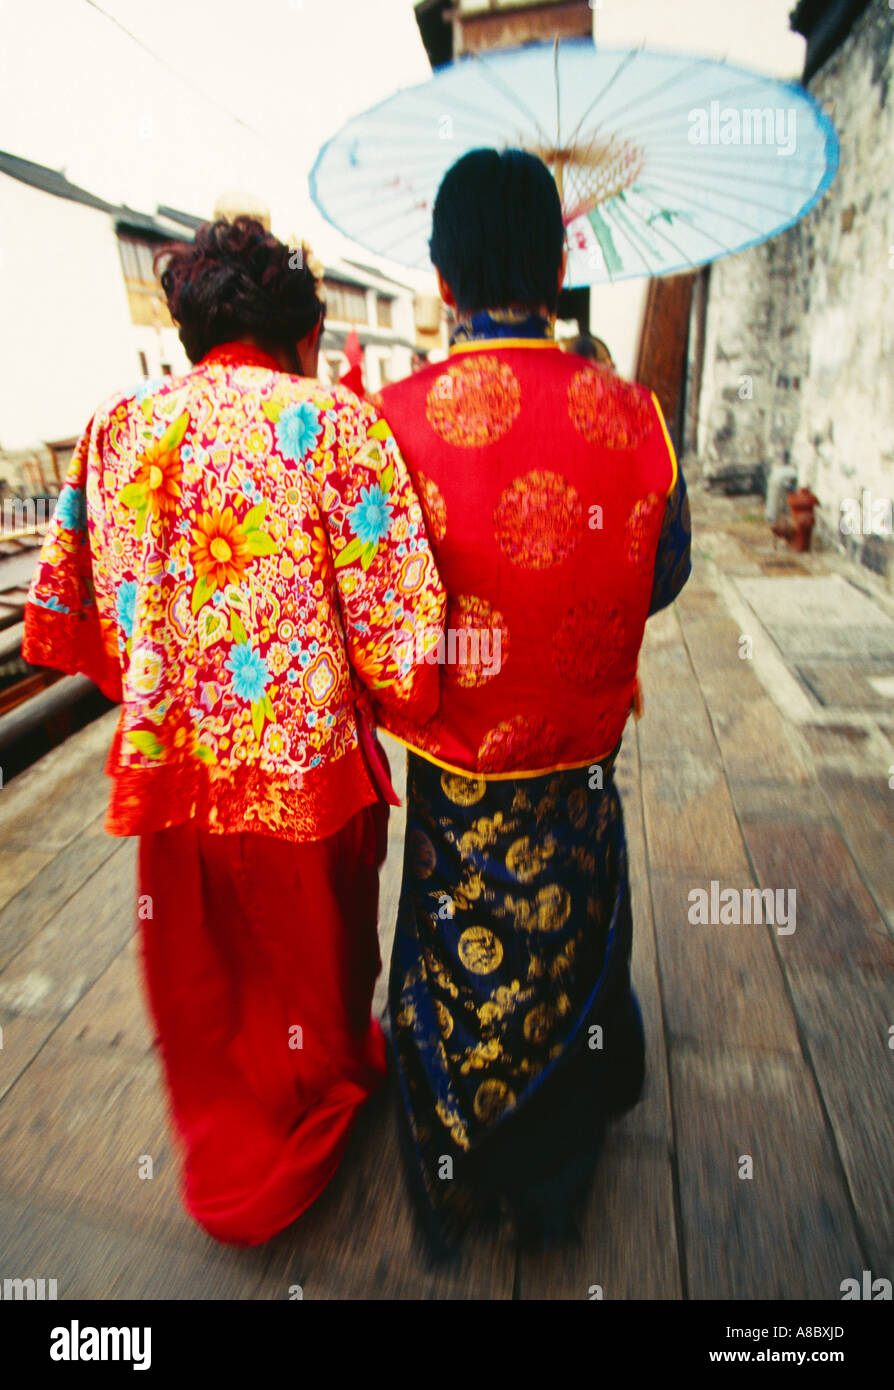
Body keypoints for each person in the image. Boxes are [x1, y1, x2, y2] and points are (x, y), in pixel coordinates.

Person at [23, 216, 445, 1246]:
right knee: (315, 967)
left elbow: (80, 606)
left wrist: (175, 686)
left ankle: (232, 1162)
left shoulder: (115, 426)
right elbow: (402, 637)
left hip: (175, 774)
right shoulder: (333, 424)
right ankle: (318, 1105)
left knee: (207, 983)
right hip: (307, 780)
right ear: (302, 328)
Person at [373, 149, 691, 1252]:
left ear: (443, 274)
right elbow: (667, 571)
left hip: (457, 776)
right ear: (559, 267)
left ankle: (467, 1144)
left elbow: (378, 606)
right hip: (582, 769)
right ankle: (555, 1172)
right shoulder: (634, 416)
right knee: (571, 947)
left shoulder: (388, 421)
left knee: (464, 959)